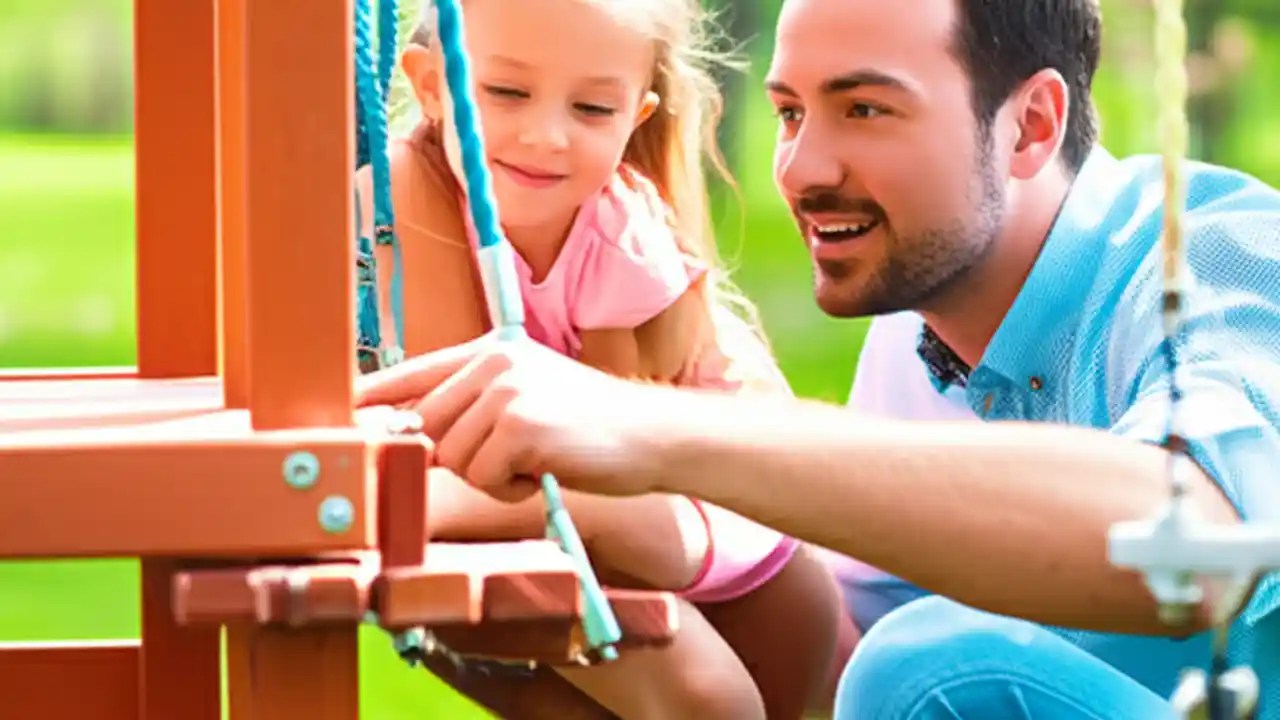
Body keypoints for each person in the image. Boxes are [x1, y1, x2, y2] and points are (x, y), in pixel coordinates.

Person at [357, 0, 1280, 718]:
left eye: (865, 108)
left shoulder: (1220, 256)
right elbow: (831, 681)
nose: (799, 167)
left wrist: (653, 429)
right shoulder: (915, 349)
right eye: (791, 113)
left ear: (1031, 125)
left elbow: (1197, 544)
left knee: (926, 665)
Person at [356, 0, 847, 717]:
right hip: (566, 501)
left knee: (779, 675)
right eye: (507, 93)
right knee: (712, 700)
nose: (545, 136)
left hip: (678, 491)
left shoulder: (614, 229)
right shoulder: (402, 200)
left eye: (590, 108)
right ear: (432, 86)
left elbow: (609, 424)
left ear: (635, 116)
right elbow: (447, 430)